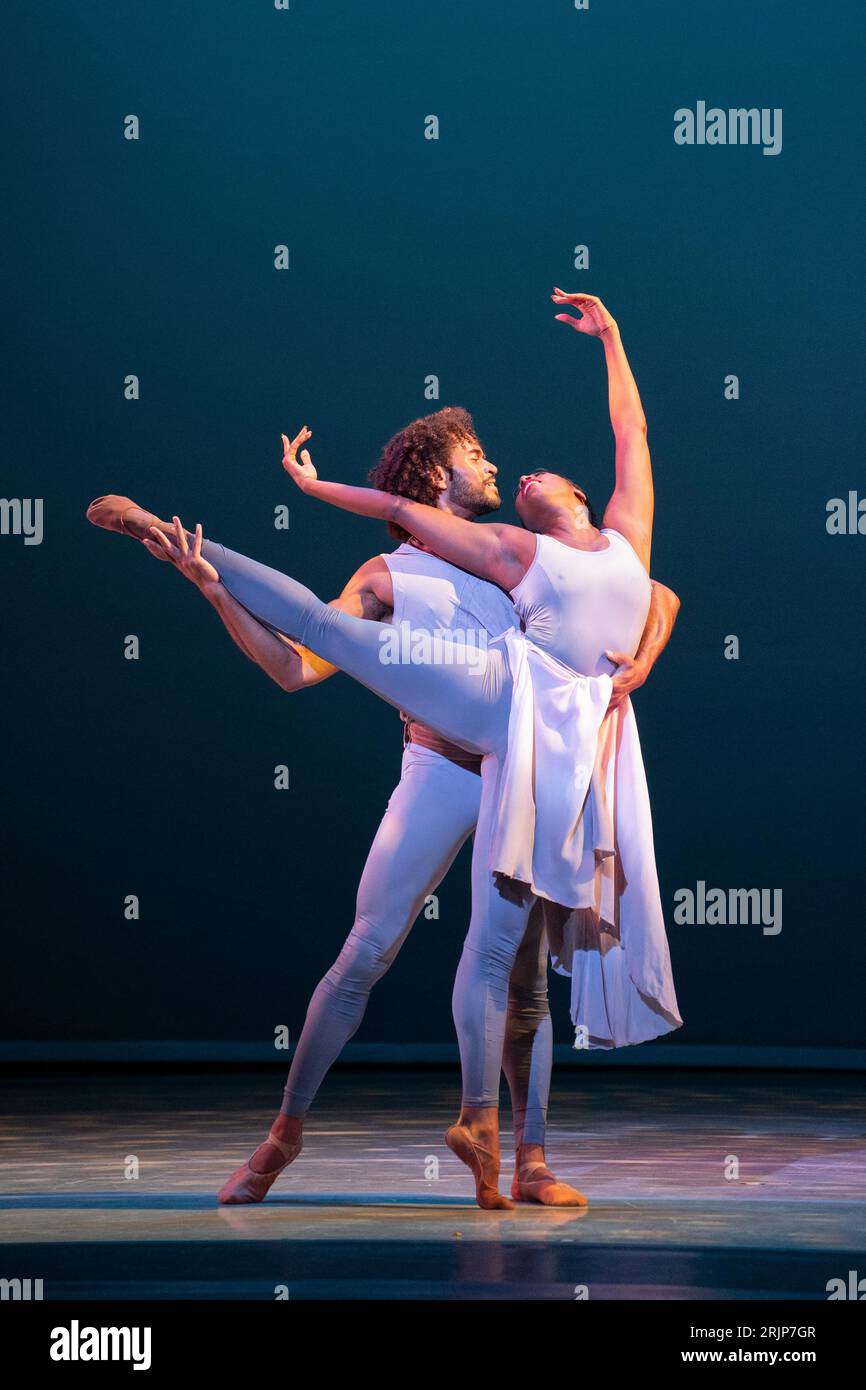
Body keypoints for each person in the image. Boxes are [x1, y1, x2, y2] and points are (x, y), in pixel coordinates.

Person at [88, 291, 683, 1208]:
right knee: (367, 947)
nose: (492, 462)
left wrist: (640, 652)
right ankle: (285, 1133)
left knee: (519, 972)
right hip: (442, 764)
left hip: (516, 755)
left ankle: (522, 1155)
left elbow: (646, 584)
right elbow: (295, 668)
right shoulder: (392, 573)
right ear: (434, 476)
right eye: (474, 454)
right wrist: (216, 594)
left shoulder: (513, 550)